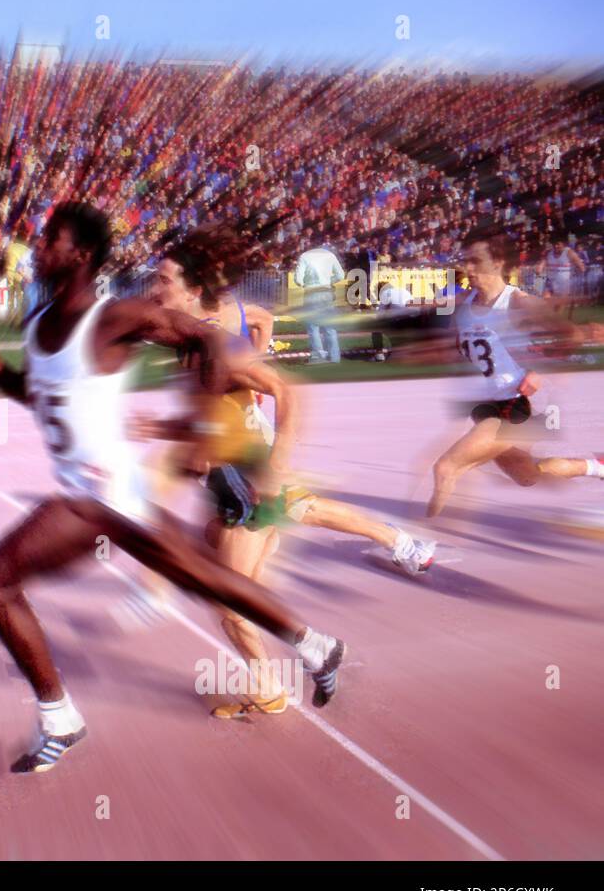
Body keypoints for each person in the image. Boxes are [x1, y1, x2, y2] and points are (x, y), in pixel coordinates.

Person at [0, 203, 347, 773]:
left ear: (83, 256)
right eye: (42, 239)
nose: (38, 249)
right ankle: (318, 645)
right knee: (205, 576)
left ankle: (59, 718)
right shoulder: (41, 323)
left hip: (96, 497)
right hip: (121, 493)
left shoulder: (114, 317)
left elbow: (210, 342)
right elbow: (37, 395)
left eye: (52, 240)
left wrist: (201, 432)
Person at [130, 229, 437, 717]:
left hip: (247, 476)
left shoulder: (218, 341)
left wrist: (273, 467)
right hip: (232, 474)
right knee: (257, 536)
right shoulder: (191, 342)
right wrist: (168, 429)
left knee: (230, 599)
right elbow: (211, 407)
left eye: (163, 280)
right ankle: (390, 552)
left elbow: (287, 392)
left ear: (190, 291)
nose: (152, 290)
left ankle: (297, 666)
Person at [428, 229, 603, 518]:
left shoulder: (519, 302)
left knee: (447, 467)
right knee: (528, 475)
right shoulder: (465, 308)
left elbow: (569, 337)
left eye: (476, 261)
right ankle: (595, 467)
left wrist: (539, 370)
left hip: (521, 405)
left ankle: (417, 542)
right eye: (466, 261)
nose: (468, 268)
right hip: (490, 405)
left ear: (497, 263)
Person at [295, 240, 345, 363]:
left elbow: (298, 280)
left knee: (313, 328)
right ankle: (335, 358)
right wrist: (329, 281)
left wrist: (305, 284)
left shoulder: (304, 256)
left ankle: (318, 357)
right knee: (330, 327)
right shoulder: (330, 255)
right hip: (326, 292)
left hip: (311, 293)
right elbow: (341, 275)